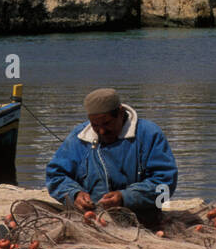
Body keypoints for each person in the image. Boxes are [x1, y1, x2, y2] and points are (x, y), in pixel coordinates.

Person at [46, 88, 178, 223]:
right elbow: (55, 175)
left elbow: (165, 185)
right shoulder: (79, 136)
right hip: (90, 217)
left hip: (140, 218)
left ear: (121, 113)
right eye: (95, 125)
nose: (102, 131)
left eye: (107, 123)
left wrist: (125, 197)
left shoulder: (149, 134)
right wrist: (75, 194)